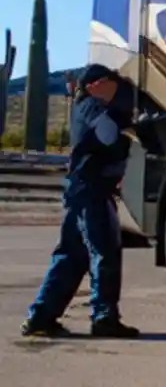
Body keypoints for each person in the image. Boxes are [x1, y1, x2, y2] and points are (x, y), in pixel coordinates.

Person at [20, 64, 141, 339]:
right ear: (96, 85)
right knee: (104, 253)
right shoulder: (92, 108)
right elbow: (108, 136)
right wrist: (125, 122)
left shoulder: (89, 107)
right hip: (91, 190)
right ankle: (104, 318)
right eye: (112, 82)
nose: (119, 87)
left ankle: (41, 316)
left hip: (83, 191)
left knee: (71, 257)